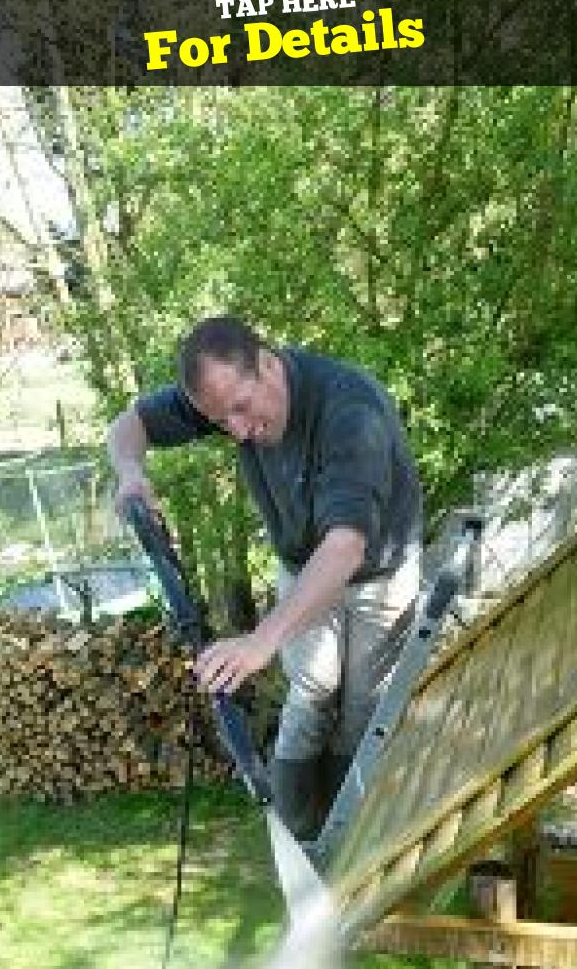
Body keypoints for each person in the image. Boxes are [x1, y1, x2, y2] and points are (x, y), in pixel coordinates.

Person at [106, 316, 423, 843]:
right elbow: (128, 425)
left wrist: (260, 641)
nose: (234, 429)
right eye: (217, 419)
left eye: (240, 409)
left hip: (378, 571)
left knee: (365, 708)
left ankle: (352, 841)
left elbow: (346, 546)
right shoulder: (225, 389)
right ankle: (297, 839)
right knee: (311, 693)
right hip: (304, 565)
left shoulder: (350, 411)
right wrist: (130, 472)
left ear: (270, 365)